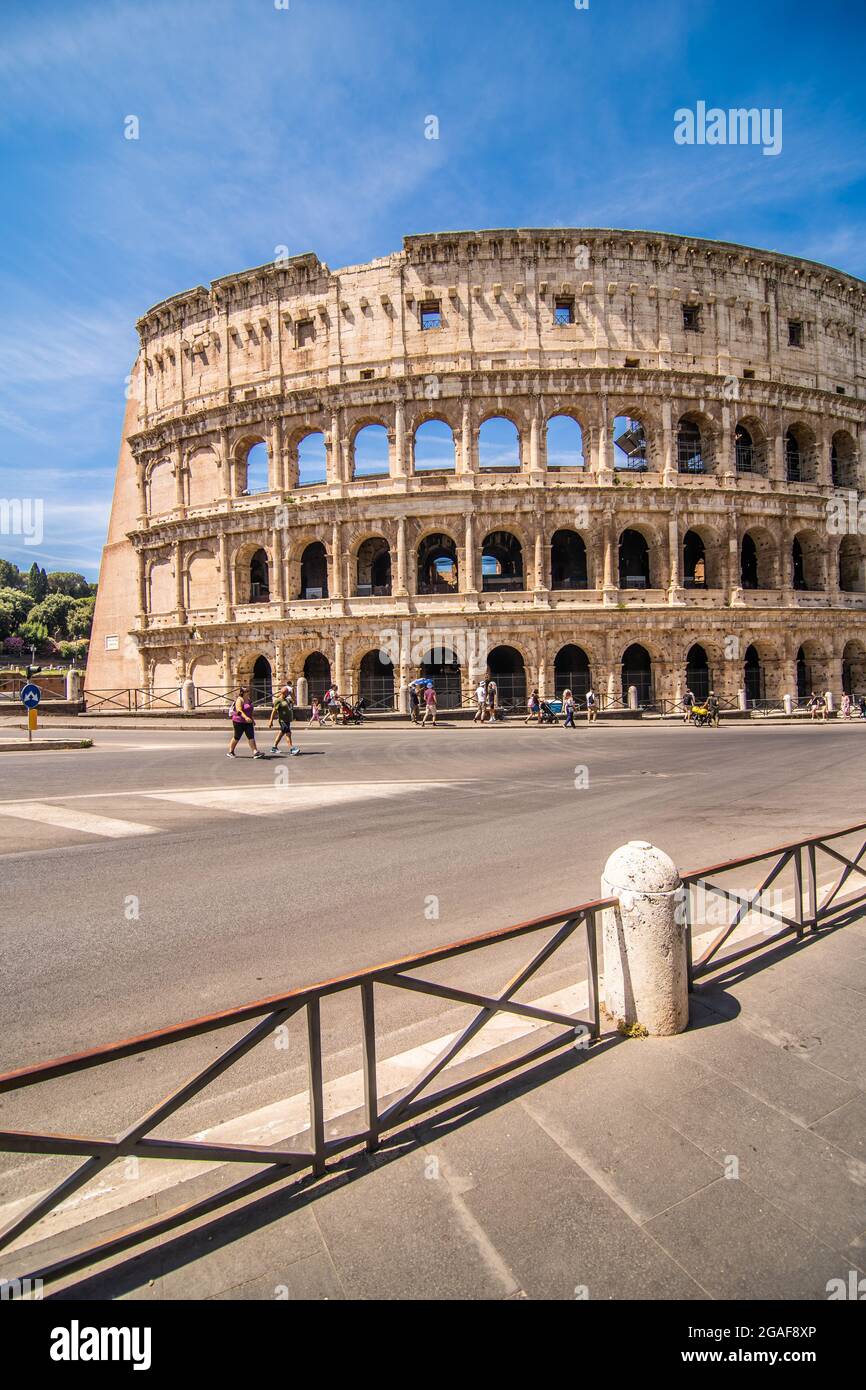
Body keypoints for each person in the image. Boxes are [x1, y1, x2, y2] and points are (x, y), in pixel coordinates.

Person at [227, 685, 264, 758]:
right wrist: (246, 717)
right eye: (246, 691)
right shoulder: (239, 700)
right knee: (237, 737)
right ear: (242, 692)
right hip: (238, 721)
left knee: (251, 736)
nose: (248, 692)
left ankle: (255, 752)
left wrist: (252, 719)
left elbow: (249, 711)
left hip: (248, 721)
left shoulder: (249, 699)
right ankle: (230, 752)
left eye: (248, 691)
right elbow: (239, 710)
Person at [268, 683, 298, 755]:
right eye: (288, 692)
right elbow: (274, 711)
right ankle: (292, 749)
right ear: (284, 693)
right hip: (282, 720)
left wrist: (292, 694)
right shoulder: (278, 701)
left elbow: (295, 702)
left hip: (287, 720)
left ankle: (274, 747)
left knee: (281, 733)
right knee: (288, 734)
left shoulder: (287, 700)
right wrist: (270, 721)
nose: (288, 693)